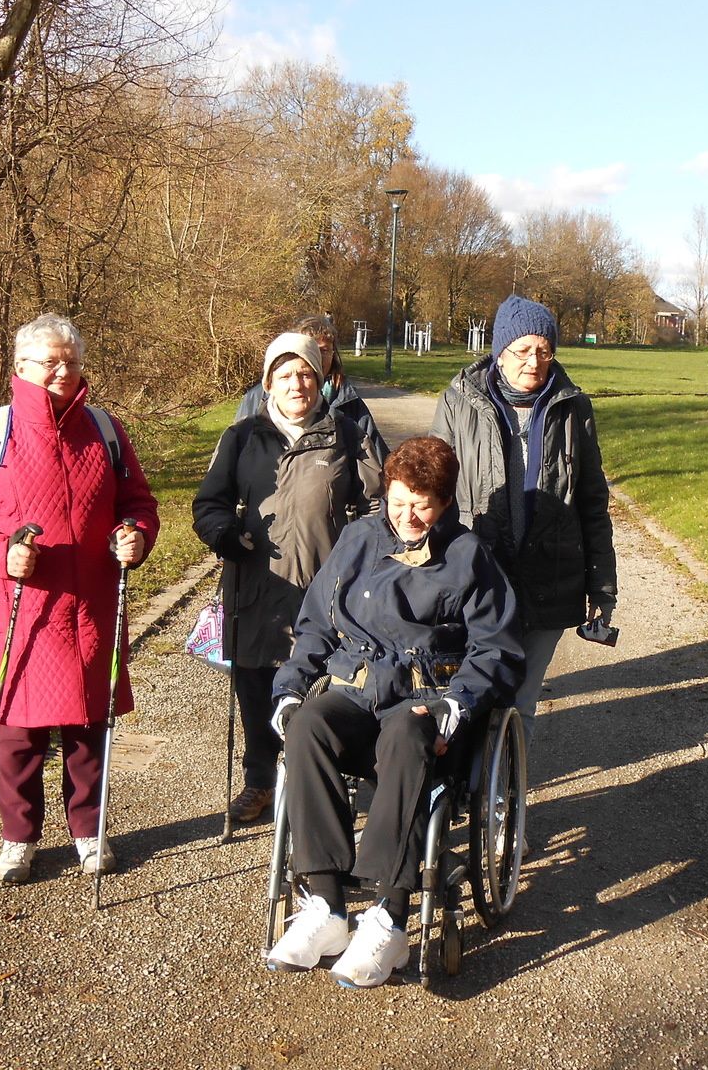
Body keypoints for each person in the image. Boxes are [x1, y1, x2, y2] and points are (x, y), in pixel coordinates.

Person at [263, 436, 524, 988]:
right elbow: (315, 622)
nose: (408, 516)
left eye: (423, 504)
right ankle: (327, 906)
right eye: (399, 501)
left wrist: (460, 703)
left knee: (409, 734)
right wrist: (290, 688)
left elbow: (497, 649)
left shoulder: (468, 556)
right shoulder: (359, 539)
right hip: (357, 694)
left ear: (446, 503)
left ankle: (389, 915)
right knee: (307, 725)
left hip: (425, 703)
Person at [0, 314, 160, 883]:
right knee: (18, 735)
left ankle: (89, 829)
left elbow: (137, 502)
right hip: (20, 606)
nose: (63, 372)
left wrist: (134, 536)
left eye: (72, 361)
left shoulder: (105, 430)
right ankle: (18, 837)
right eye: (49, 362)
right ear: (20, 369)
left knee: (90, 728)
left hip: (90, 604)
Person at [193, 333, 382, 825]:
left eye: (305, 374)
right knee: (256, 691)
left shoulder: (348, 434)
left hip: (329, 592)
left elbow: (379, 505)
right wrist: (223, 535)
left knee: (326, 689)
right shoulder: (242, 437)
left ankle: (326, 780)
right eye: (285, 375)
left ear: (320, 380)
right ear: (267, 383)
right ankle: (260, 781)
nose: (296, 384)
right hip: (257, 587)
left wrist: (360, 557)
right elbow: (208, 504)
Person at [430, 294, 616, 750]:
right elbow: (435, 492)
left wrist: (602, 587)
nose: (534, 361)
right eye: (523, 350)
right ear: (499, 351)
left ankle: (502, 802)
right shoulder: (459, 402)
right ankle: (465, 789)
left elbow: (592, 502)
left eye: (544, 351)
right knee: (474, 693)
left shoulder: (573, 407)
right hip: (479, 578)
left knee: (520, 702)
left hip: (549, 576)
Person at [235, 314, 389, 462]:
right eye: (311, 349)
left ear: (333, 354)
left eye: (324, 350)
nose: (318, 357)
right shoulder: (257, 398)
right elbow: (236, 454)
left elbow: (378, 462)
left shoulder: (348, 401)